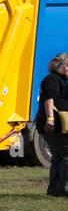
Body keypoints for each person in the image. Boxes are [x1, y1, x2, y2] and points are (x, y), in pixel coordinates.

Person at [38, 52, 68, 197]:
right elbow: (49, 99)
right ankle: (63, 189)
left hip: (60, 126)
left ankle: (55, 190)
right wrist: (50, 119)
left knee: (58, 157)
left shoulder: (62, 80)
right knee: (66, 155)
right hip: (53, 125)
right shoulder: (52, 79)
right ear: (60, 66)